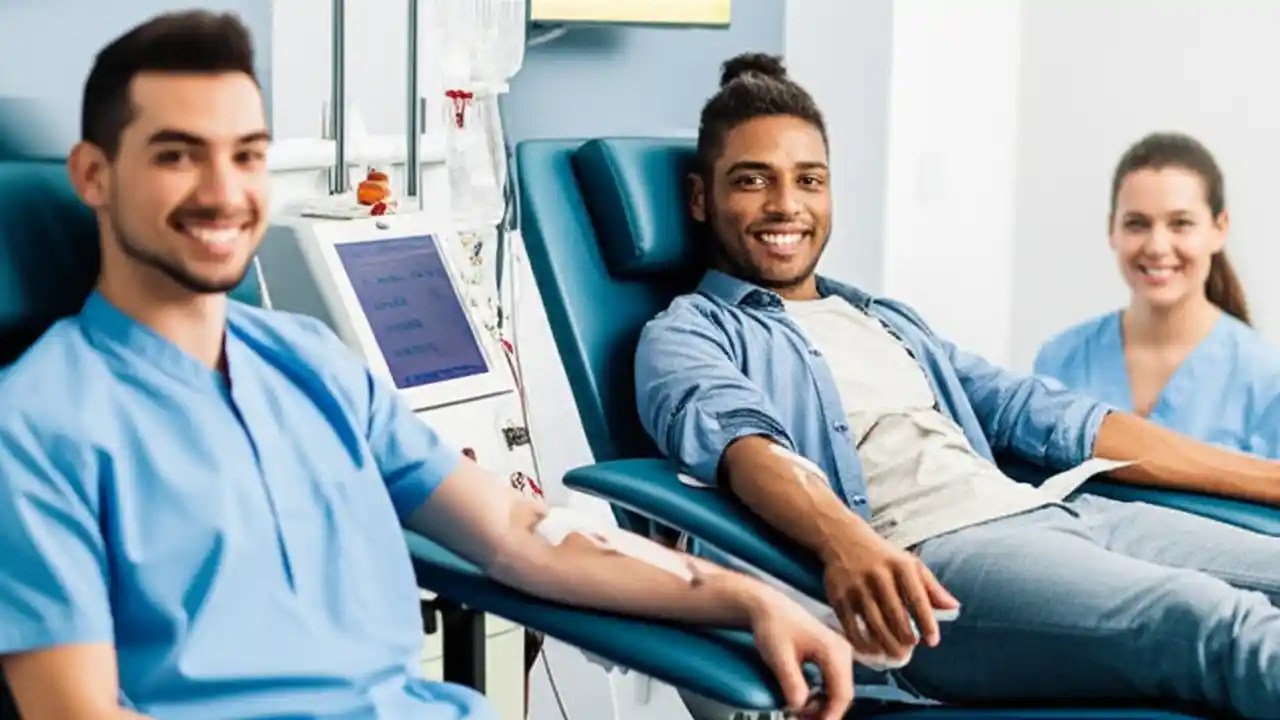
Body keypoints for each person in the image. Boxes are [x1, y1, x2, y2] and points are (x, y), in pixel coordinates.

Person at [0, 14, 856, 720]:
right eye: (178, 154)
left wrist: (747, 599)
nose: (225, 192)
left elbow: (522, 537)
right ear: (95, 176)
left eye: (249, 154)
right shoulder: (38, 427)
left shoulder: (312, 367)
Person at [635, 52, 1280, 717]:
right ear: (700, 198)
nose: (786, 205)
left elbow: (1052, 416)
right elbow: (745, 445)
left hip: (1056, 512)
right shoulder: (688, 333)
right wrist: (848, 544)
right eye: (752, 180)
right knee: (1221, 626)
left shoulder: (882, 319)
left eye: (810, 179)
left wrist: (1271, 479)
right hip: (942, 565)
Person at [1035, 132, 1280, 456]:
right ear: (1112, 230)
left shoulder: (1265, 378)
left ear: (1219, 229)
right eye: (1137, 224)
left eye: (1180, 223)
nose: (1157, 247)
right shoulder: (1061, 360)